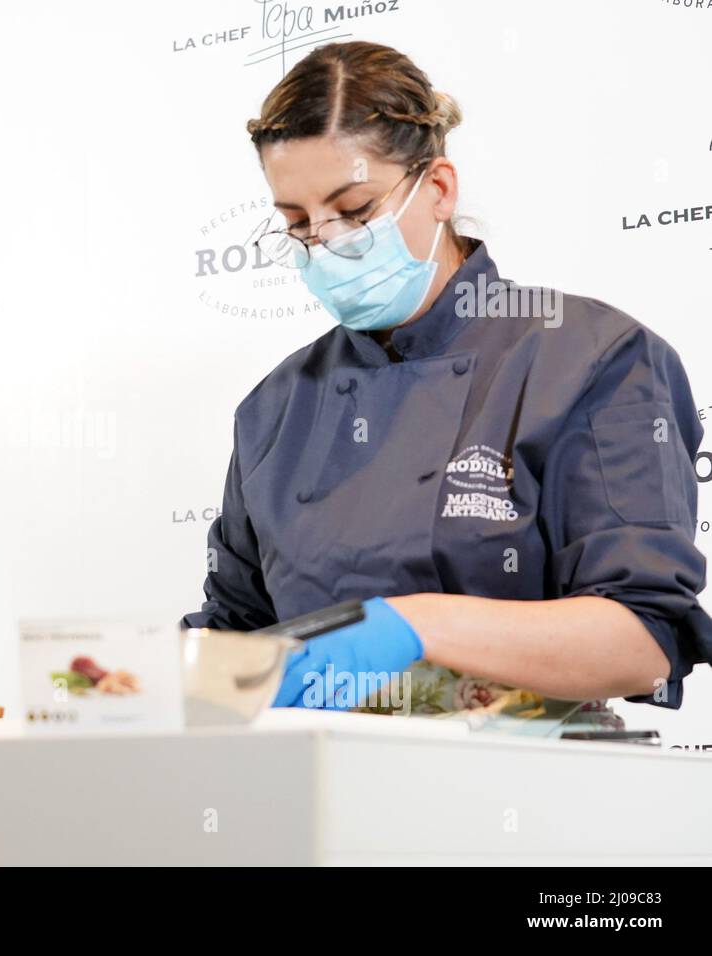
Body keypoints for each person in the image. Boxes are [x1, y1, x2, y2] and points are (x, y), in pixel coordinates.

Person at [181, 41, 709, 712]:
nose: (325, 241)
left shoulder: (591, 358)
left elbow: (640, 642)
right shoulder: (276, 409)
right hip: (313, 789)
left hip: (528, 788)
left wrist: (417, 628)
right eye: (298, 223)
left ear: (437, 189)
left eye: (354, 210)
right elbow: (235, 639)